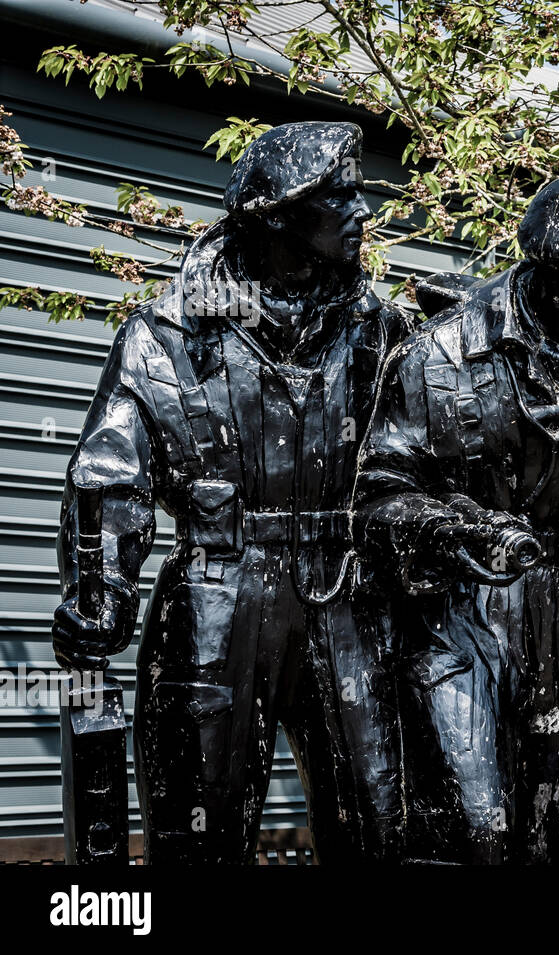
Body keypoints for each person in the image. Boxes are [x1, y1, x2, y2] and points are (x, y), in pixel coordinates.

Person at [52, 122, 413, 863]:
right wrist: (103, 584)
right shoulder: (166, 333)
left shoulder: (385, 333)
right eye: (339, 195)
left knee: (382, 827)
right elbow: (111, 472)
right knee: (198, 835)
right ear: (277, 214)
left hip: (348, 596)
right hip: (214, 598)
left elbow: (425, 467)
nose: (362, 212)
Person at [354, 172, 559, 863]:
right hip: (459, 613)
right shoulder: (442, 354)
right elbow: (376, 495)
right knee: (473, 831)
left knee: (554, 835)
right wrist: (446, 529)